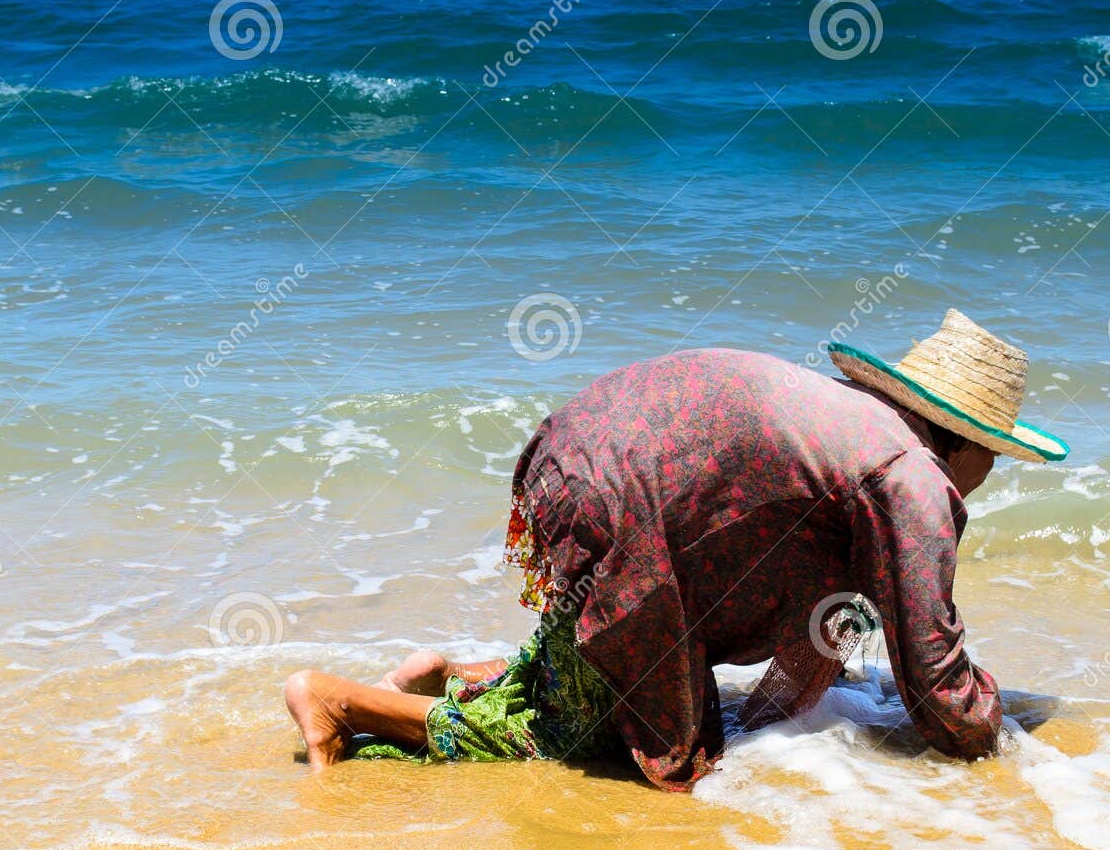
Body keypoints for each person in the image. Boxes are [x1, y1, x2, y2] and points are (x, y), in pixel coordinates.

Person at [284, 309, 1069, 789]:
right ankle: (344, 702)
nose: (987, 476)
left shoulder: (856, 425)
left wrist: (774, 719)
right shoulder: (914, 479)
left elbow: (824, 604)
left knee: (607, 666)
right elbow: (934, 670)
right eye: (993, 457)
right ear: (967, 445)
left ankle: (453, 677)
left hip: (578, 450)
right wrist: (997, 751)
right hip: (626, 500)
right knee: (597, 745)